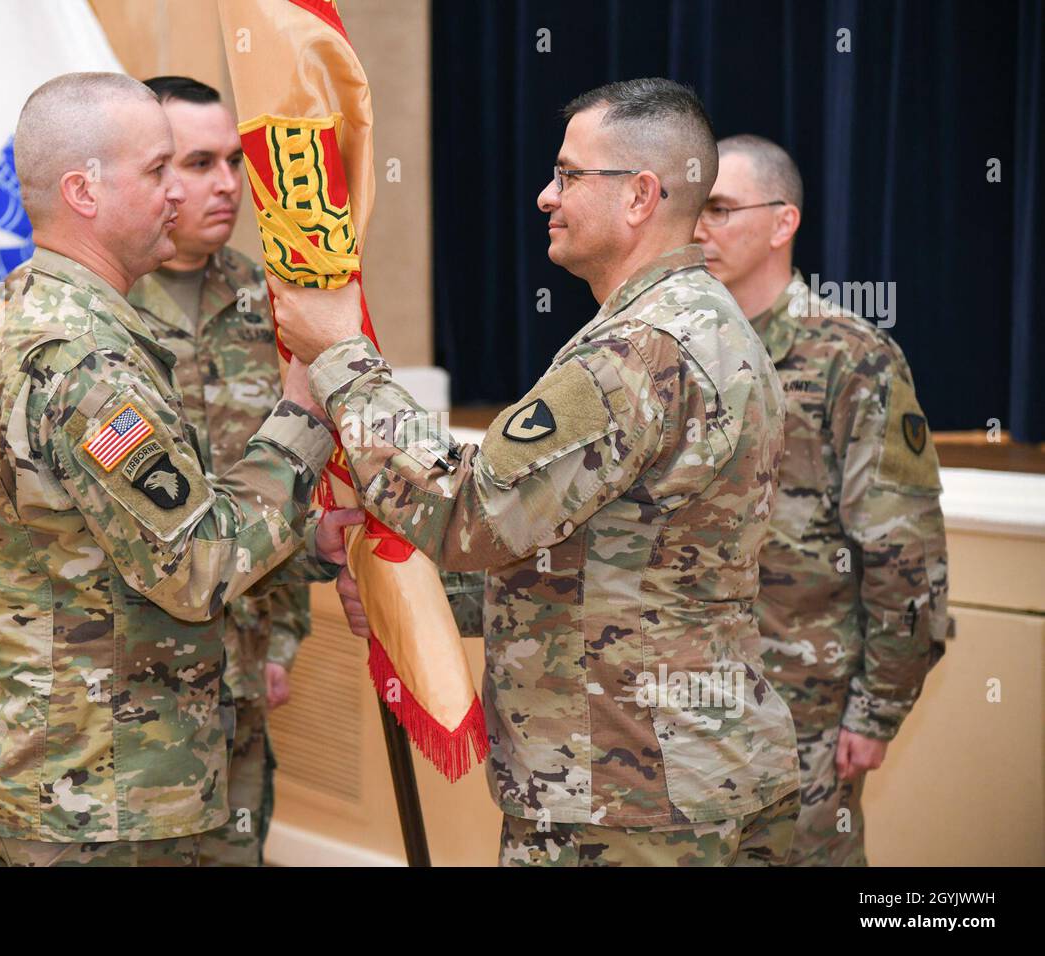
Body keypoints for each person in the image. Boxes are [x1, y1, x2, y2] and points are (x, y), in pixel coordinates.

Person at [274, 78, 801, 866]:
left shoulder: (637, 350)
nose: (544, 195)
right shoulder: (700, 319)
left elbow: (470, 512)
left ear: (640, 196)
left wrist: (341, 357)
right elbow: (621, 562)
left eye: (569, 175)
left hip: (627, 798)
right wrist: (430, 600)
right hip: (692, 771)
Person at [0, 72, 359, 867]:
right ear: (84, 192)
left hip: (43, 774)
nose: (182, 193)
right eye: (159, 170)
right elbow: (195, 565)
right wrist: (303, 406)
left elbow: (98, 548)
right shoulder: (87, 361)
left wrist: (303, 542)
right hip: (96, 795)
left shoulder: (32, 312)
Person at [693, 134, 951, 866]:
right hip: (687, 705)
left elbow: (904, 552)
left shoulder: (852, 356)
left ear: (783, 222)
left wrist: (878, 711)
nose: (698, 229)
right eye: (693, 210)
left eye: (719, 208)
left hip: (802, 708)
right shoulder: (683, 352)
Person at [125, 75, 308, 866]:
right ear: (149, 169)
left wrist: (283, 643)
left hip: (241, 677)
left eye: (235, 161)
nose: (229, 184)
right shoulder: (97, 312)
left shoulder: (277, 302)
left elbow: (299, 482)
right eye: (200, 162)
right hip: (128, 702)